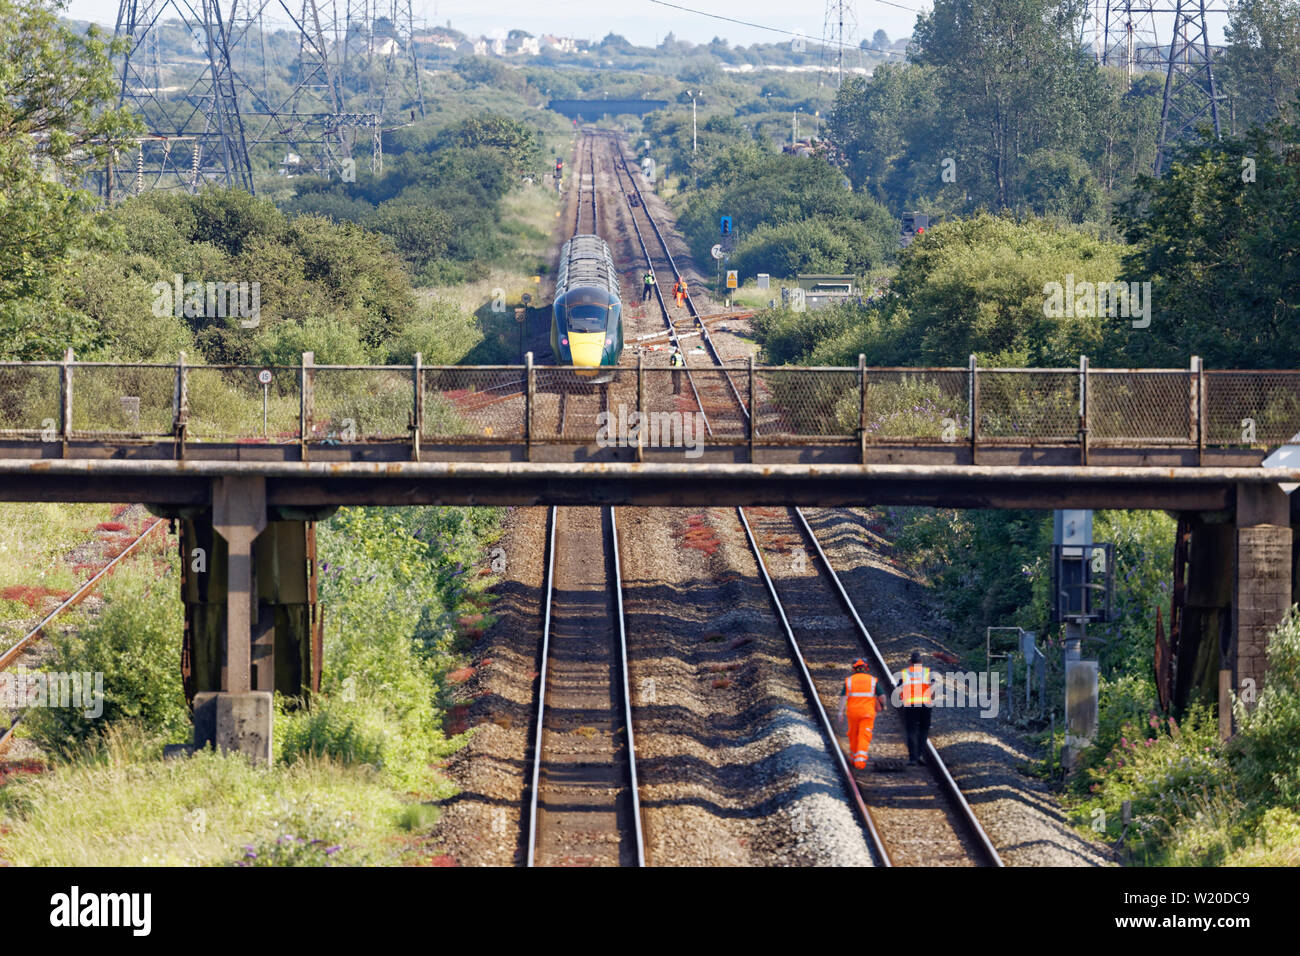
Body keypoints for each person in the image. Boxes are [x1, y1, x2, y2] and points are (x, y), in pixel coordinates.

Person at [837, 659, 886, 770]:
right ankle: (860, 761)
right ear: (866, 668)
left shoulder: (849, 681)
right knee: (864, 735)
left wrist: (840, 712)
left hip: (853, 712)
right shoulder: (872, 680)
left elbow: (843, 697)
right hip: (867, 713)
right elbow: (882, 696)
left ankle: (853, 758)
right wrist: (882, 706)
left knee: (853, 734)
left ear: (854, 669)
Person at [896, 649, 935, 765]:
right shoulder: (927, 672)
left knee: (911, 731)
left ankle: (912, 758)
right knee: (923, 730)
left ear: (910, 662)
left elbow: (898, 690)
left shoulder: (905, 673)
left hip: (911, 705)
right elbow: (933, 687)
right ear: (921, 661)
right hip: (925, 705)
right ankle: (920, 755)